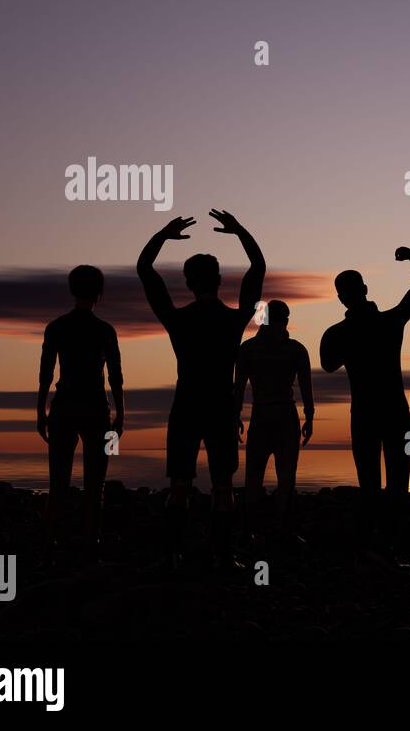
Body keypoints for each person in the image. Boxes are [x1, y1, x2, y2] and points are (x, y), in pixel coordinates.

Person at [137, 210, 265, 567]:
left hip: (187, 406)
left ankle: (173, 553)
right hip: (221, 407)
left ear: (188, 283)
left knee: (180, 483)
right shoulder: (234, 319)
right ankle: (222, 556)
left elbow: (144, 269)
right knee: (223, 486)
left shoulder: (178, 319)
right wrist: (239, 231)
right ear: (221, 280)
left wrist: (164, 234)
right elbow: (258, 268)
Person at [320, 247, 410, 563]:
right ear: (365, 290)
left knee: (369, 481)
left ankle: (372, 542)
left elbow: (328, 364)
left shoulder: (339, 332)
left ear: (342, 298)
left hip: (366, 414)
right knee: (398, 480)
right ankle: (390, 541)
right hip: (396, 411)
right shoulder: (390, 321)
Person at [37, 265, 124, 560]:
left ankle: (49, 544)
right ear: (99, 293)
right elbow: (115, 376)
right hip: (95, 408)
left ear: (72, 290)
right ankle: (90, 544)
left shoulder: (57, 327)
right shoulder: (103, 330)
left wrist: (40, 410)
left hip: (63, 407)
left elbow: (46, 374)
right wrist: (121, 413)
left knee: (57, 483)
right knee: (94, 484)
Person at [234, 300, 314, 543]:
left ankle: (252, 528)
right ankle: (280, 527)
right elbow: (306, 389)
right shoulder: (296, 349)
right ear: (285, 321)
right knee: (286, 475)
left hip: (262, 415)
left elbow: (238, 389)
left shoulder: (248, 349)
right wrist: (309, 417)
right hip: (283, 416)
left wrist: (235, 415)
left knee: (255, 475)